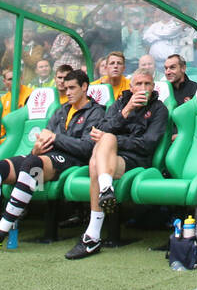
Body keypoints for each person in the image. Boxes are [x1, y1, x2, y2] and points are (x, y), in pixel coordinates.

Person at [0, 69, 105, 251]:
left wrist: (55, 139)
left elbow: (87, 148)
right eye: (65, 88)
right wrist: (35, 149)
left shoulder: (96, 112)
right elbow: (45, 138)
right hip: (46, 158)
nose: (67, 92)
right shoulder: (61, 111)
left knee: (31, 165)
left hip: (72, 162)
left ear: (84, 87)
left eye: (72, 88)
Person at [64, 69, 168, 259]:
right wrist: (126, 110)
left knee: (100, 155)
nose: (143, 89)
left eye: (148, 84)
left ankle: (92, 235)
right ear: (131, 86)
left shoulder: (159, 108)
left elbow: (148, 144)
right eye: (139, 84)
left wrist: (114, 140)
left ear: (153, 87)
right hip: (111, 160)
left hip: (136, 161)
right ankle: (105, 191)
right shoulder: (119, 104)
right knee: (99, 156)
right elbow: (100, 129)